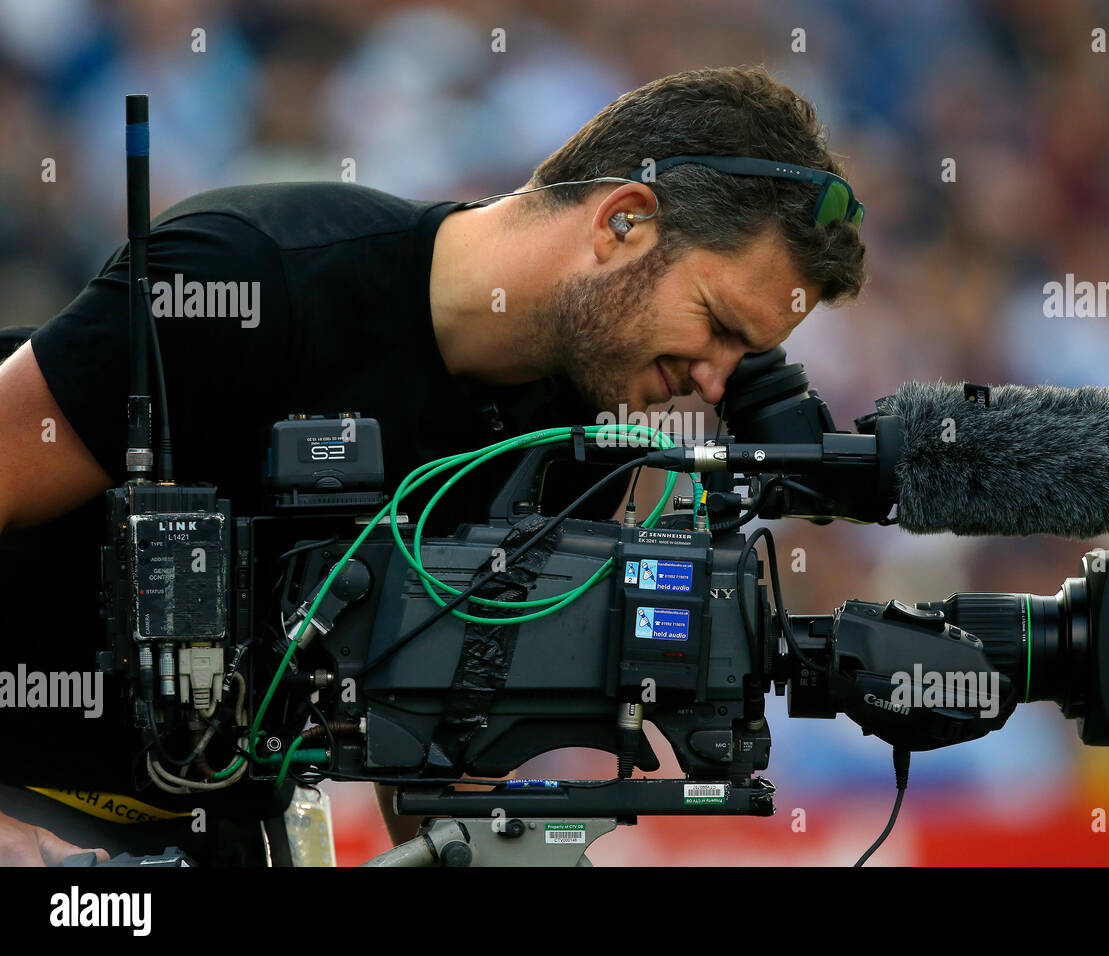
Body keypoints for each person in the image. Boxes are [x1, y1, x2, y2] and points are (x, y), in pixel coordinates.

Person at [0, 64, 865, 865]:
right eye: (716, 324)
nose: (713, 382)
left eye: (746, 356)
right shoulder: (247, 280)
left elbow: (442, 759)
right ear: (621, 221)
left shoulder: (570, 439)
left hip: (219, 833)